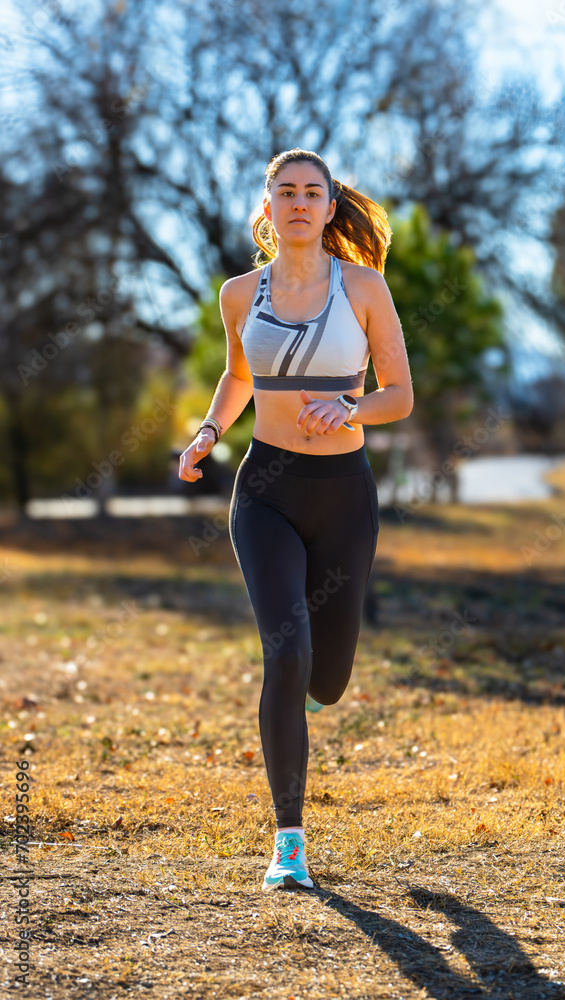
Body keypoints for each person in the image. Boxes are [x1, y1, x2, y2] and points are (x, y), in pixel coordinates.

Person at [179, 148, 413, 892]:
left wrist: (349, 404)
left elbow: (399, 394)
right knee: (285, 657)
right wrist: (209, 432)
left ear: (332, 205)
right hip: (266, 494)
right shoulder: (239, 293)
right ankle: (289, 846)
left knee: (330, 679)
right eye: (287, 192)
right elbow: (238, 375)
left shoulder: (366, 289)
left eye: (314, 192)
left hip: (344, 493)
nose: (300, 203)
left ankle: (314, 681)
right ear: (269, 205)